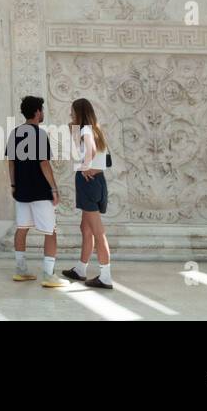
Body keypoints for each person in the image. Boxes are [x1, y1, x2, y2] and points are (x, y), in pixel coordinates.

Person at [6, 96, 66, 288]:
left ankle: (21, 270)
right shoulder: (39, 134)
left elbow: (11, 163)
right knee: (50, 231)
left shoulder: (15, 133)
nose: (43, 113)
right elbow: (44, 163)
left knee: (22, 228)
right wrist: (54, 188)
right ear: (37, 112)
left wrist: (13, 186)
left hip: (22, 190)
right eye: (42, 110)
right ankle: (49, 275)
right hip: (40, 190)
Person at [63, 97, 113, 289]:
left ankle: (106, 276)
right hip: (97, 182)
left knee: (98, 232)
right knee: (86, 228)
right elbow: (97, 156)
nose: (70, 115)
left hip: (88, 183)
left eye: (73, 112)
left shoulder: (86, 131)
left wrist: (84, 167)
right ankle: (80, 269)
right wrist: (73, 126)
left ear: (79, 113)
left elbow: (89, 150)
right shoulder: (94, 130)